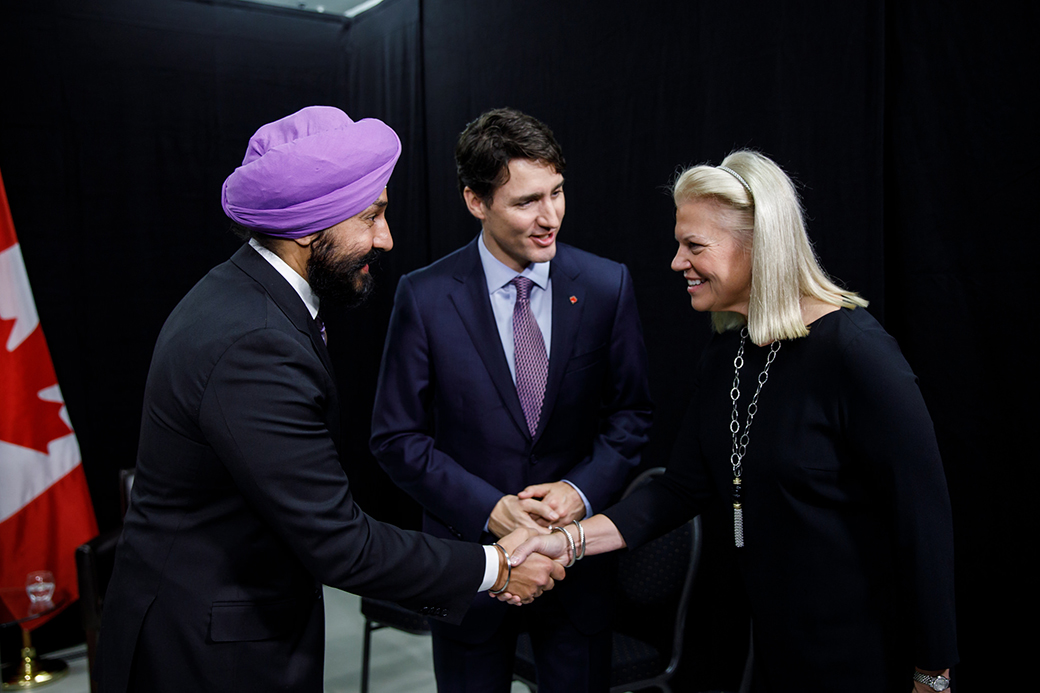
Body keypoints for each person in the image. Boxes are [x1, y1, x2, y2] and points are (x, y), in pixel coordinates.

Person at [95, 106, 563, 693]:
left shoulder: (244, 294)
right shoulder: (256, 341)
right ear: (308, 225)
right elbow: (339, 543)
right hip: (207, 654)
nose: (385, 239)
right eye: (372, 216)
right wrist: (496, 567)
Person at [511, 150, 958, 692]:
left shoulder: (857, 353)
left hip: (863, 660)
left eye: (694, 246)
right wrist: (568, 541)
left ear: (760, 246)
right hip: (774, 653)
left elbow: (923, 525)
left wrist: (932, 674)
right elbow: (677, 491)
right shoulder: (728, 353)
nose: (677, 262)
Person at [370, 108, 653, 692]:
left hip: (577, 570)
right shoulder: (423, 297)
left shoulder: (606, 286)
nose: (550, 217)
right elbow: (395, 438)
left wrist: (578, 494)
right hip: (471, 569)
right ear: (476, 201)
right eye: (527, 202)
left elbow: (632, 417)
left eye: (557, 193)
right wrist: (489, 509)